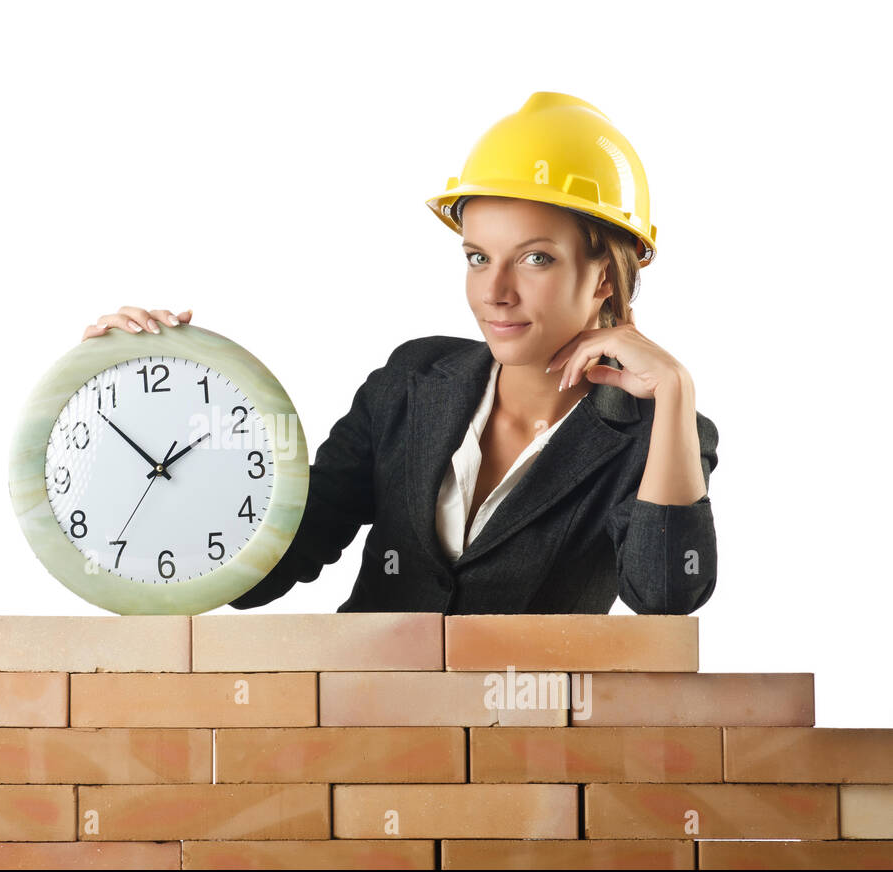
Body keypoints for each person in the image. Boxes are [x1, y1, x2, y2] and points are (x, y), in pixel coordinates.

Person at [80, 92, 718, 616]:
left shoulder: (653, 435)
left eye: (535, 258)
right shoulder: (410, 384)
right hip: (358, 730)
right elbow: (268, 566)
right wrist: (131, 412)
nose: (495, 292)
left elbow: (665, 598)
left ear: (604, 276)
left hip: (519, 750)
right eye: (477, 257)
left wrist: (676, 394)